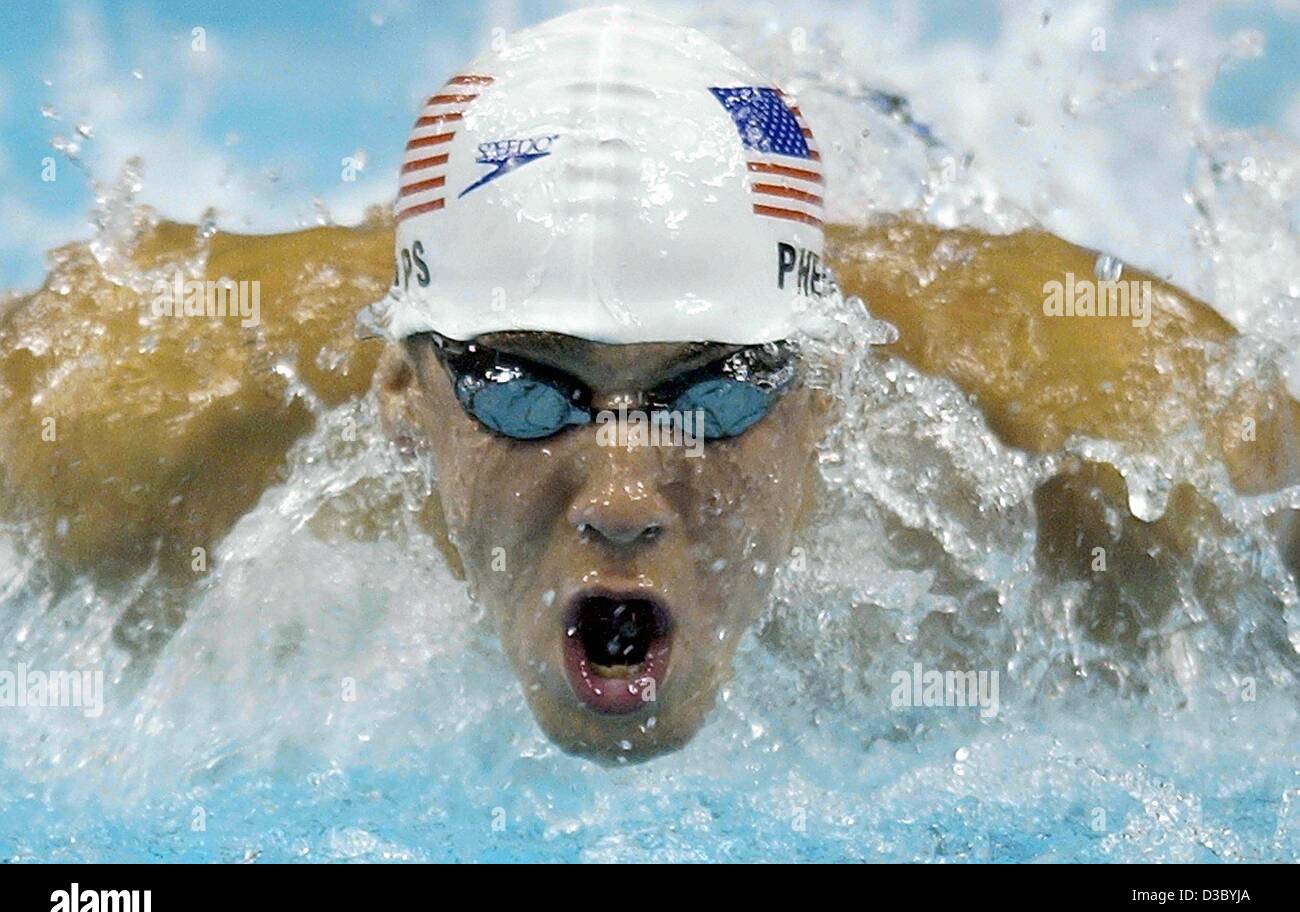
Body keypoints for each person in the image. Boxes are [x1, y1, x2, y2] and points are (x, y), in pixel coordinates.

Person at [0, 7, 1294, 762]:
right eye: (523, 389)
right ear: (403, 392)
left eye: (718, 389)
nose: (623, 493)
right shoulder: (106, 417)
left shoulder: (1124, 436)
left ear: (829, 388)